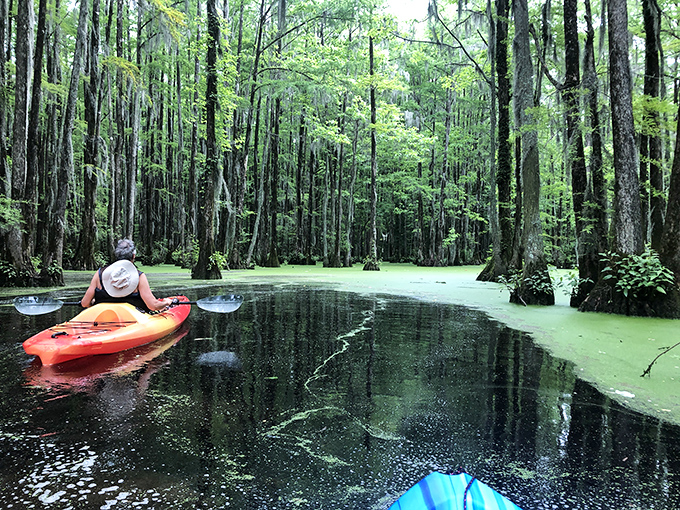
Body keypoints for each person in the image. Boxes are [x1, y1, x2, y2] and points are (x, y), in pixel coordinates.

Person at [81, 239, 173, 312]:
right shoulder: (139, 277)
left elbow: (85, 303)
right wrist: (166, 303)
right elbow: (153, 306)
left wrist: (94, 303)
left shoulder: (100, 273)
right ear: (133, 256)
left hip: (103, 318)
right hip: (132, 322)